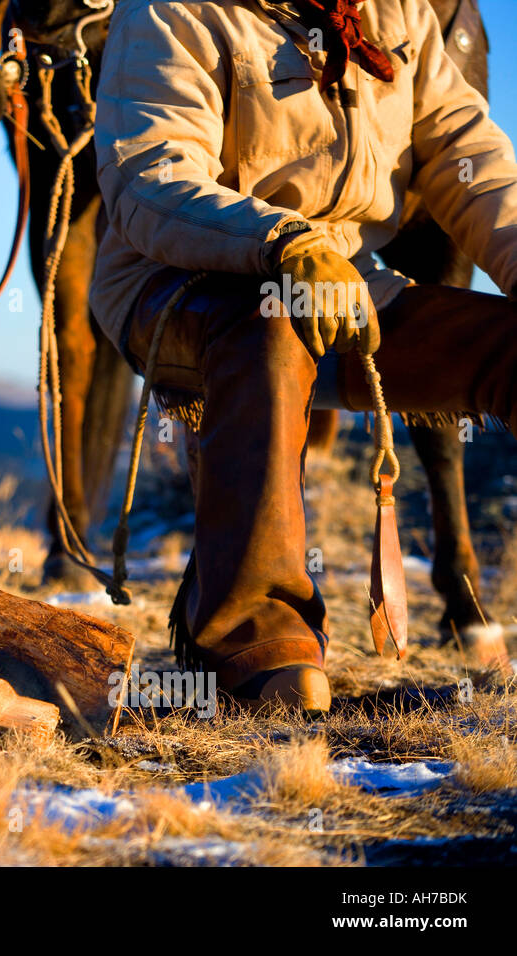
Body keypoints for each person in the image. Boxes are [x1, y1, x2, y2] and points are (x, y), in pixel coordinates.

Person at [91, 0, 517, 713]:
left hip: (346, 281)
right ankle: (255, 637)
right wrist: (285, 244)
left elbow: (463, 151)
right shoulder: (168, 10)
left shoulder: (395, 11)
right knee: (272, 320)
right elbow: (149, 174)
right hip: (176, 278)